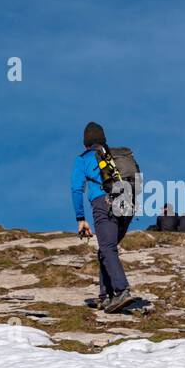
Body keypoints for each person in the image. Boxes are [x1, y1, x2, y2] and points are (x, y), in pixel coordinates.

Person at [72, 121, 134, 312]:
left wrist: (81, 219)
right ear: (104, 140)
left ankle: (122, 291)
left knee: (107, 247)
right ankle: (105, 296)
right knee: (107, 249)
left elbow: (76, 189)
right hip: (127, 202)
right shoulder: (114, 157)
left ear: (85, 144)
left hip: (103, 202)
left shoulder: (83, 159)